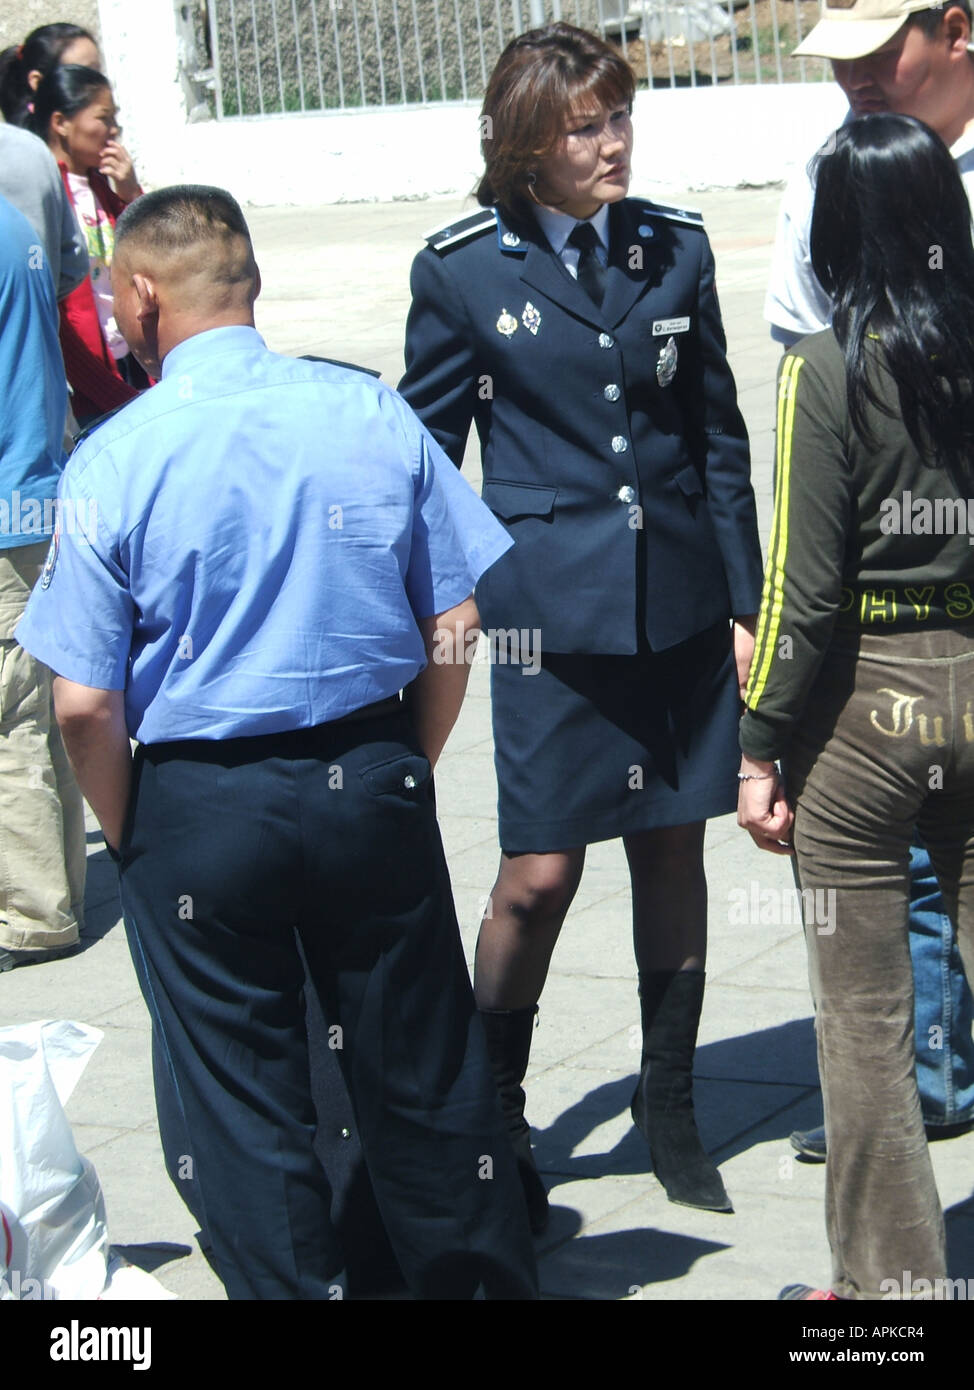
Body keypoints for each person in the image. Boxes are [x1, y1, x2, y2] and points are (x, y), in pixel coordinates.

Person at [16, 183, 538, 1300]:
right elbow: (455, 623)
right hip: (370, 773)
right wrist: (407, 762)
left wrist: (134, 828)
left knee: (242, 1101)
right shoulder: (367, 412)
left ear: (143, 296)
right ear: (250, 281)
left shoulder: (114, 458)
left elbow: (80, 706)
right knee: (425, 1074)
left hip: (201, 803)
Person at [399, 21, 764, 1229]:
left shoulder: (675, 246)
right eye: (585, 127)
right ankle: (489, 1117)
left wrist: (744, 603)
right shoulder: (461, 269)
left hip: (672, 607)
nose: (613, 144)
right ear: (524, 145)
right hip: (546, 625)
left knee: (673, 848)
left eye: (619, 118)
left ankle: (670, 1109)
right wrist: (434, 603)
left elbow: (716, 436)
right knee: (535, 878)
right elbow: (426, 458)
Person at [739, 114, 974, 1300]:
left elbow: (802, 583)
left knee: (863, 1015)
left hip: (861, 711)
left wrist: (756, 746)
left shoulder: (820, 367)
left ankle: (887, 1295)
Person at [0, 193, 86, 971]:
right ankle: (56, 893)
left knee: (9, 723)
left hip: (7, 507)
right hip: (32, 497)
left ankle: (32, 913)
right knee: (34, 708)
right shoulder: (11, 224)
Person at [28, 65, 146, 427]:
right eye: (103, 118)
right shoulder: (43, 193)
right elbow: (55, 314)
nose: (113, 131)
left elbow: (146, 257)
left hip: (126, 362)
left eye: (115, 120)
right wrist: (112, 394)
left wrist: (129, 195)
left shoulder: (101, 188)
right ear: (61, 122)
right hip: (83, 382)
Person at [0, 21, 99, 126]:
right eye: (83, 75)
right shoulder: (26, 141)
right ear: (38, 82)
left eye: (98, 71)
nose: (99, 84)